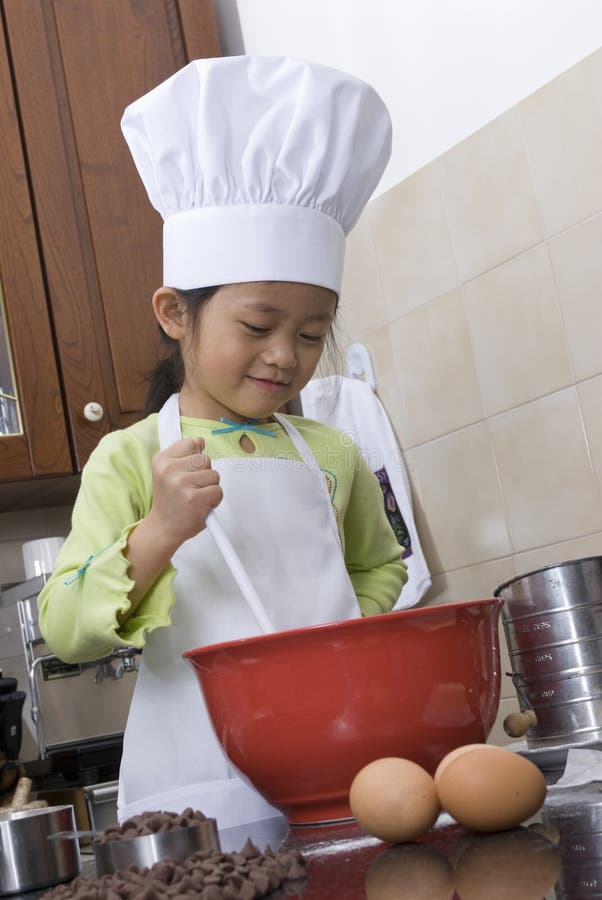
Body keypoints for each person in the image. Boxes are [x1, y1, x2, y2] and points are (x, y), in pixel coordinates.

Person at [38, 55, 407, 827]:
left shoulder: (332, 453)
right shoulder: (131, 458)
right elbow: (66, 630)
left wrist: (341, 638)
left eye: (310, 333)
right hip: (201, 791)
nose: (285, 356)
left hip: (342, 757)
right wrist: (160, 529)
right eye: (257, 325)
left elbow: (380, 565)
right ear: (176, 313)